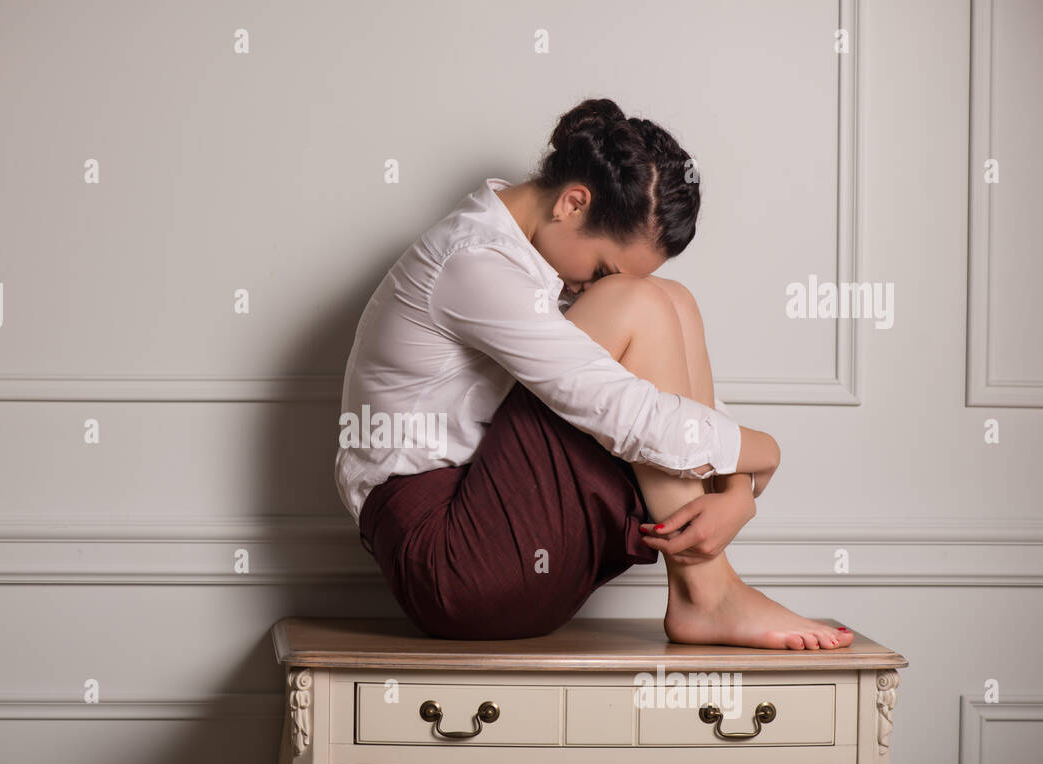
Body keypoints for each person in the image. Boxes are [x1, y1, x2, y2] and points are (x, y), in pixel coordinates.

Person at [335, 97, 852, 650]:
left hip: (496, 531)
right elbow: (622, 410)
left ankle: (706, 592)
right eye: (602, 269)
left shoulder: (527, 257)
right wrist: (766, 451)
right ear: (574, 203)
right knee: (640, 306)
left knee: (670, 300)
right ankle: (708, 594)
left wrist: (733, 487)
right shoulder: (473, 261)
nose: (589, 287)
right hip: (451, 560)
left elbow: (646, 394)